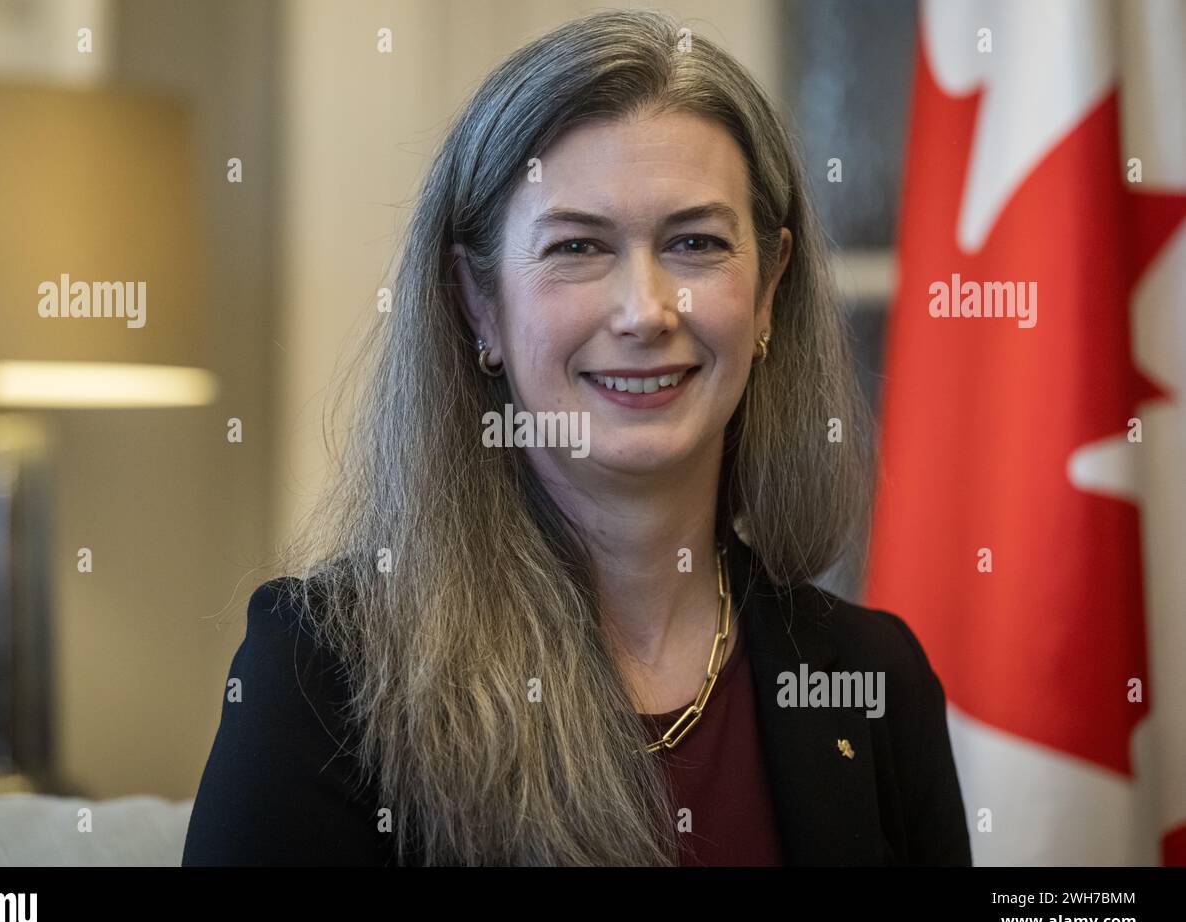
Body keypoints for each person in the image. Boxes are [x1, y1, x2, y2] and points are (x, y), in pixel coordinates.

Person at [183, 8, 972, 867]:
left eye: (697, 242)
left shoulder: (873, 679)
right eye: (578, 247)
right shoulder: (321, 676)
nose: (644, 311)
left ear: (772, 288)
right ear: (477, 303)